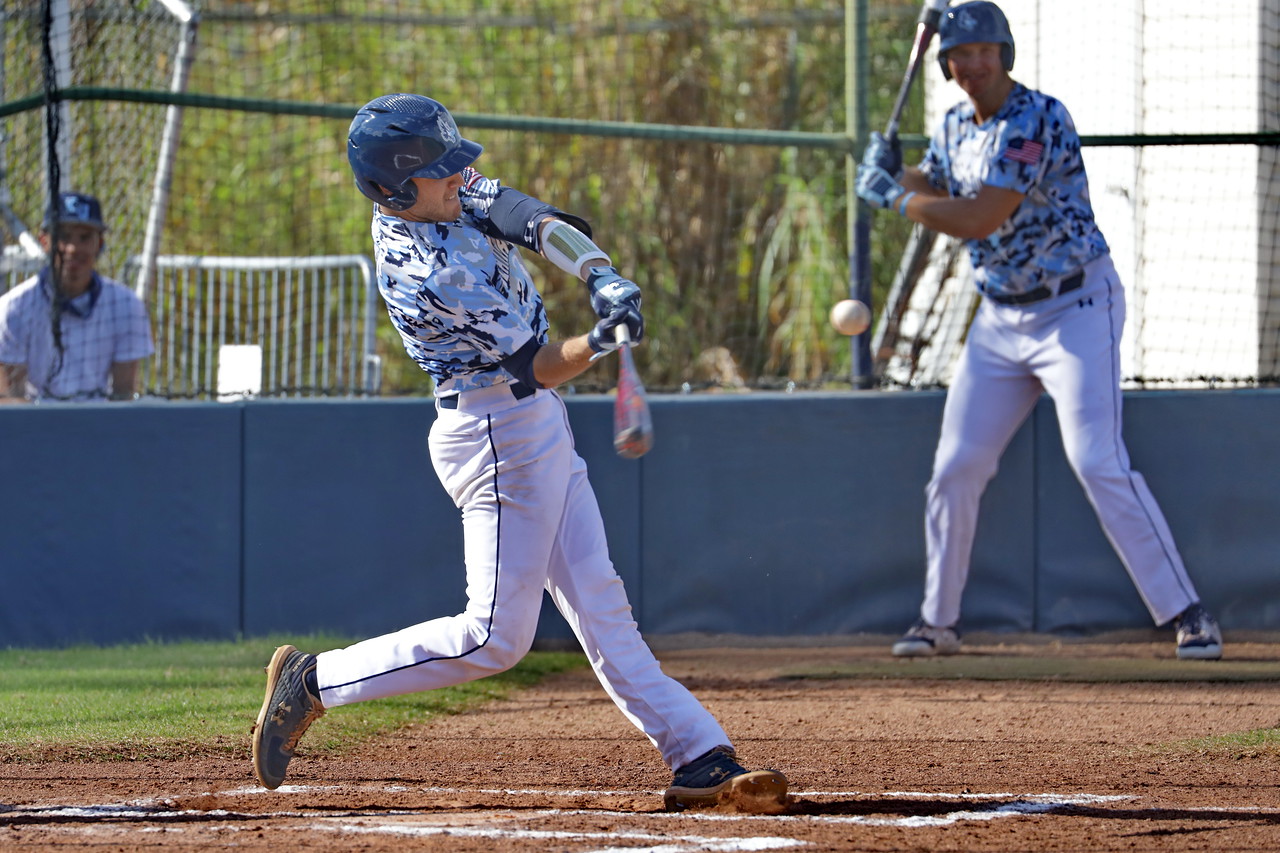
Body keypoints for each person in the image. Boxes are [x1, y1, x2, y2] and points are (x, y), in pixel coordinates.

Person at [251, 93, 789, 812]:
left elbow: (522, 214)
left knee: (603, 610)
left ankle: (700, 756)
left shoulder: (434, 197)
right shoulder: (430, 272)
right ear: (392, 189)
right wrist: (601, 339)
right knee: (494, 639)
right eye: (438, 174)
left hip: (535, 426)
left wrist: (596, 270)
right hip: (496, 433)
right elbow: (535, 363)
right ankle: (315, 681)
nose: (457, 180)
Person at [855, 1, 1222, 661]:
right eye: (959, 56)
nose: (971, 65)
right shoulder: (954, 125)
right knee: (957, 466)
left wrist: (893, 196)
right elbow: (937, 185)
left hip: (1075, 307)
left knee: (1096, 460)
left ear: (1004, 53)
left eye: (982, 52)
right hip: (999, 317)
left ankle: (1187, 612)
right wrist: (894, 169)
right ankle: (938, 621)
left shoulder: (1037, 118)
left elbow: (979, 217)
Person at [0, 191, 153, 402]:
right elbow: (10, 398)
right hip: (35, 423)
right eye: (63, 237)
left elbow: (123, 394)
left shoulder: (126, 305)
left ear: (99, 244)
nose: (73, 248)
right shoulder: (14, 307)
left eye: (84, 238)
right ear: (45, 242)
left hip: (99, 423)